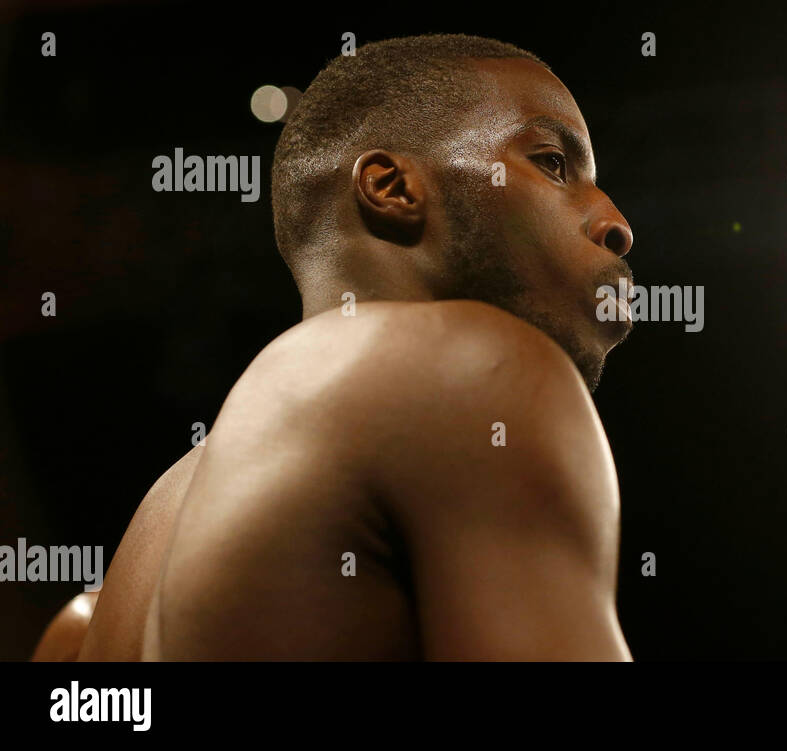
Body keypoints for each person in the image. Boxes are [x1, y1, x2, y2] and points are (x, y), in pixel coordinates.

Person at [31, 34, 636, 661]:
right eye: (553, 163)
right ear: (392, 187)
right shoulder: (474, 368)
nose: (616, 223)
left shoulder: (90, 618)